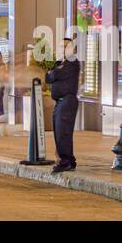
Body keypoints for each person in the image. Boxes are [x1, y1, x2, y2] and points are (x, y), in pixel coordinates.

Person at [46, 37, 80, 172]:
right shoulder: (59, 62)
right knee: (59, 131)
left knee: (63, 132)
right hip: (59, 102)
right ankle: (68, 160)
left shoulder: (72, 62)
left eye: (65, 46)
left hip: (67, 101)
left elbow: (55, 75)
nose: (62, 48)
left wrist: (53, 74)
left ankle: (65, 161)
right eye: (61, 46)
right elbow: (47, 77)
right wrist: (53, 74)